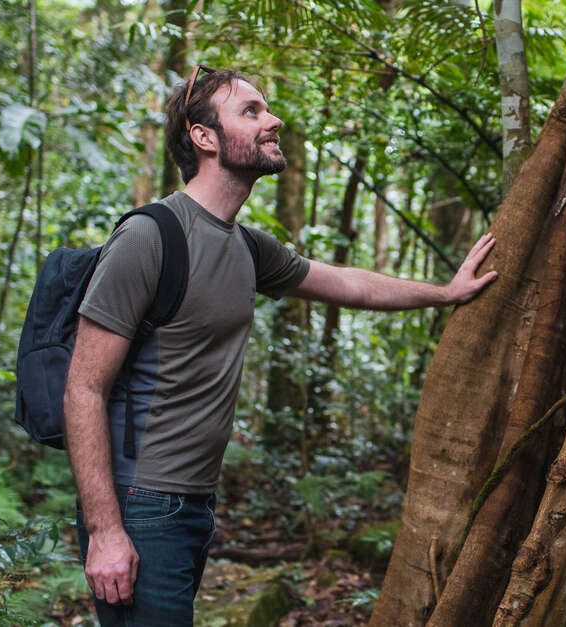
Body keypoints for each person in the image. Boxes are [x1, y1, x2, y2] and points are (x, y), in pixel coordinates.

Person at [64, 66, 498, 625]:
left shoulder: (245, 246)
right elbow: (84, 386)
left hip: (193, 503)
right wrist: (104, 531)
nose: (274, 121)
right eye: (252, 111)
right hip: (141, 504)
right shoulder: (150, 236)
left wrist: (445, 292)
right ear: (204, 137)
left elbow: (346, 282)